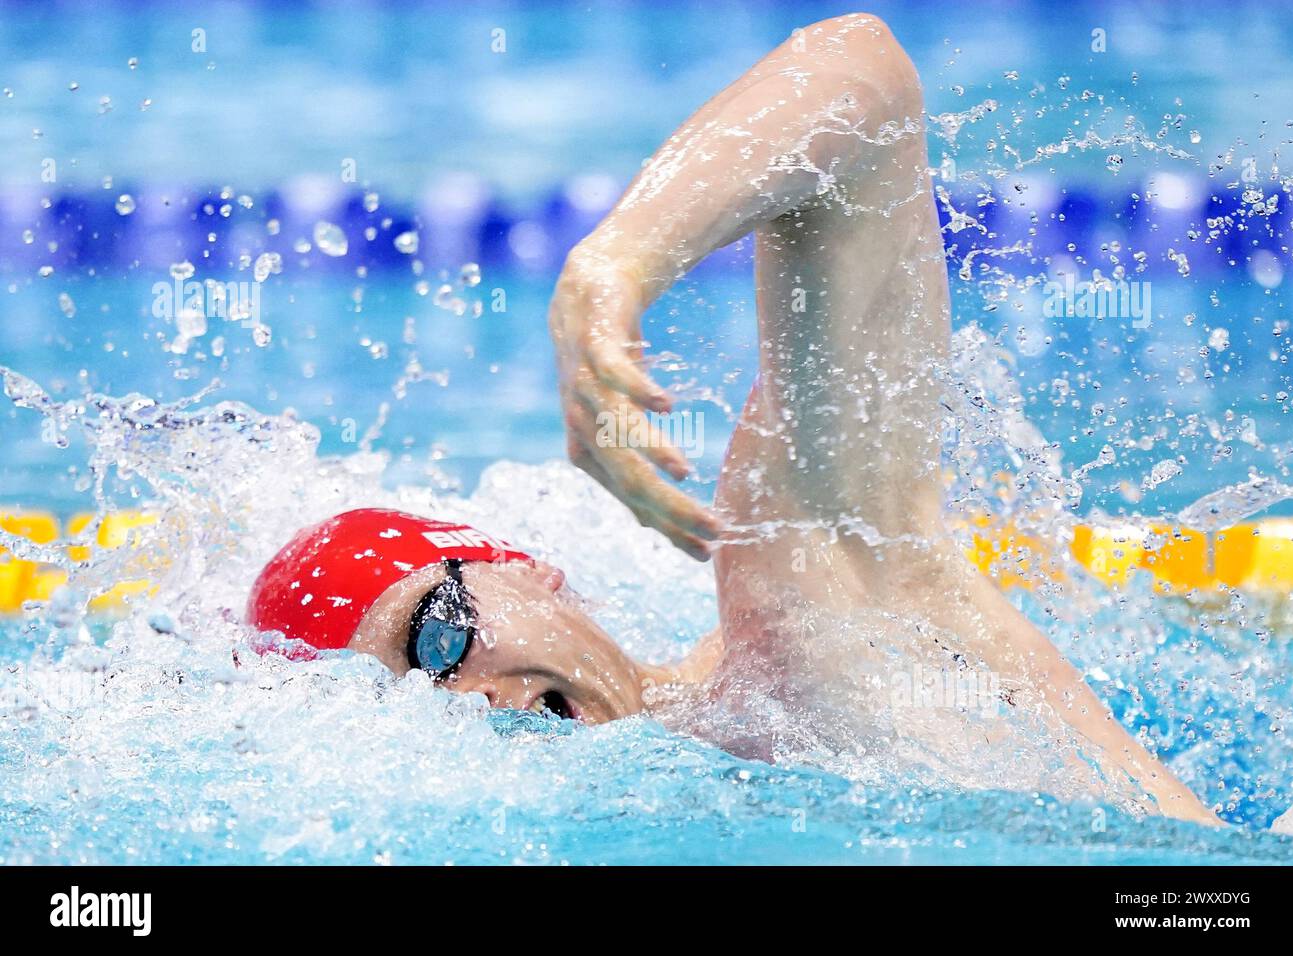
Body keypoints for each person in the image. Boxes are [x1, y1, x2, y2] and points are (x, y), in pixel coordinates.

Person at [247, 14, 1218, 825]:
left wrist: (614, 265)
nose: (468, 705)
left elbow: (865, 82)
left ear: (525, 570)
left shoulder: (800, 609)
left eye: (437, 640)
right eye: (406, 705)